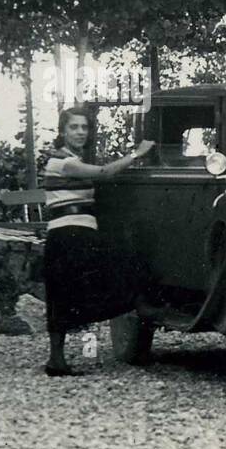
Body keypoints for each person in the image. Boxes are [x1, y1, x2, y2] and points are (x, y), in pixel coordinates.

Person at [40, 107, 155, 375]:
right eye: (73, 127)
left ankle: (57, 360)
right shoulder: (62, 161)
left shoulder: (72, 160)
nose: (80, 132)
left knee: (63, 293)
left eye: (84, 127)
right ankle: (140, 305)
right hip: (69, 234)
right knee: (116, 265)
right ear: (62, 131)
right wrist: (137, 153)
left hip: (76, 233)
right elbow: (104, 172)